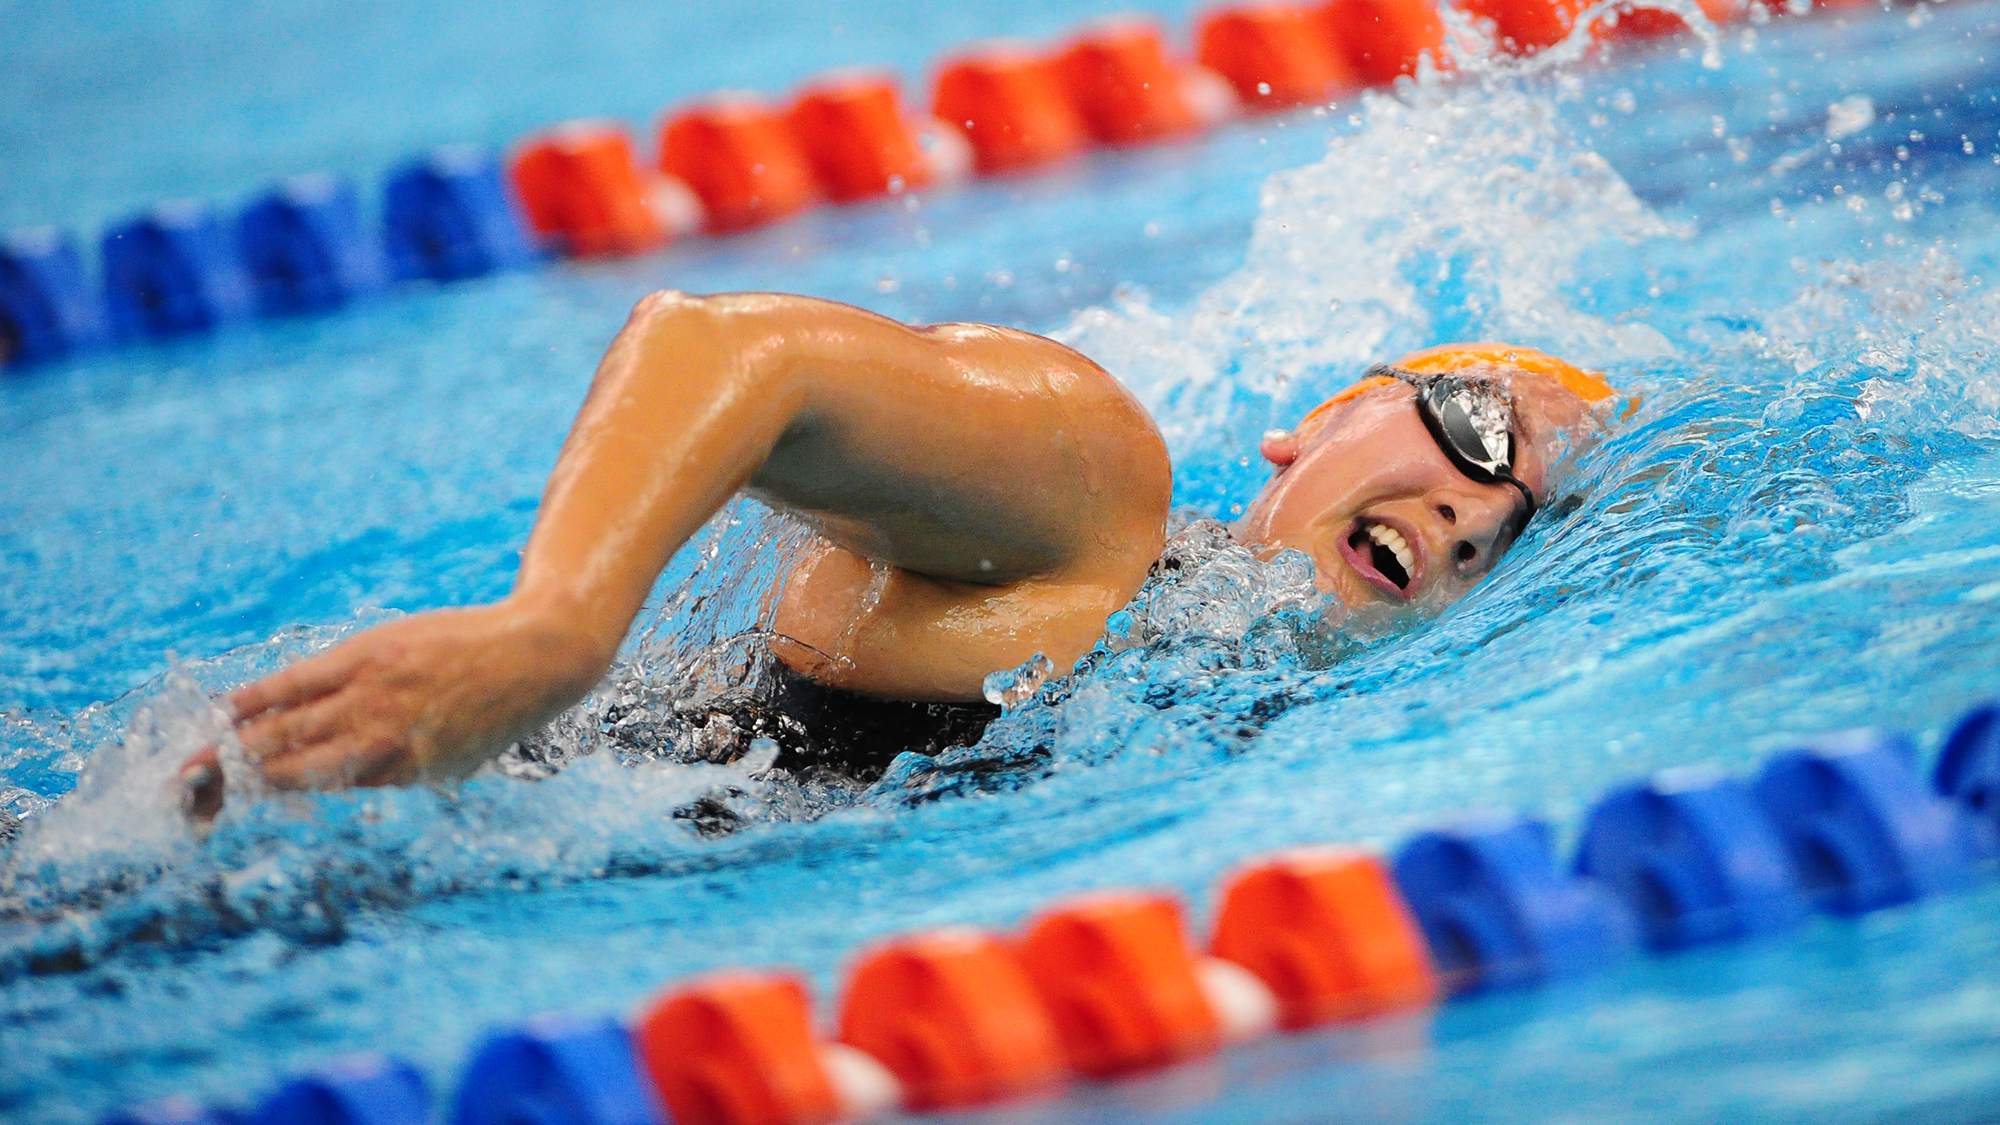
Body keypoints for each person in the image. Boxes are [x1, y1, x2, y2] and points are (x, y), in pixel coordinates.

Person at [177, 291, 1617, 816]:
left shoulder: (1244, 711)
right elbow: (732, 347)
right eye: (1478, 429)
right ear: (1318, 424)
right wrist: (554, 626)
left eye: (1514, 536)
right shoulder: (1099, 502)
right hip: (381, 781)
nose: (1476, 513)